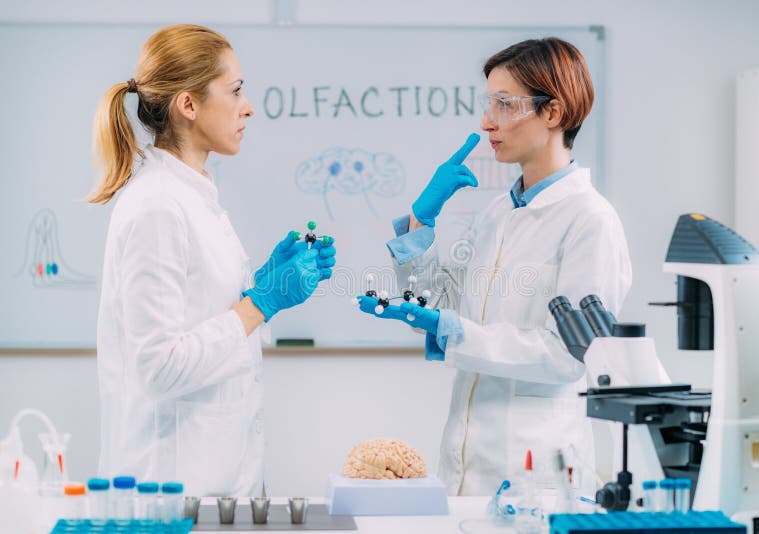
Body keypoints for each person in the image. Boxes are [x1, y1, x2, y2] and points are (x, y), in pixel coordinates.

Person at [357, 37, 631, 496]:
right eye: (489, 104)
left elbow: (568, 355)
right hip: (465, 464)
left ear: (553, 113)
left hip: (538, 472)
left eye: (505, 105)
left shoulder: (590, 220)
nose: (488, 122)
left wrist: (452, 330)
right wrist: (420, 225)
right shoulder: (498, 213)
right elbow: (445, 305)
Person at [90, 24, 336, 496]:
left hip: (215, 489)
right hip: (169, 492)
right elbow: (160, 367)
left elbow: (206, 321)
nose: (248, 106)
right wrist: (259, 303)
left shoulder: (193, 196)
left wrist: (260, 286)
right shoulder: (158, 206)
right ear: (188, 105)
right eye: (236, 90)